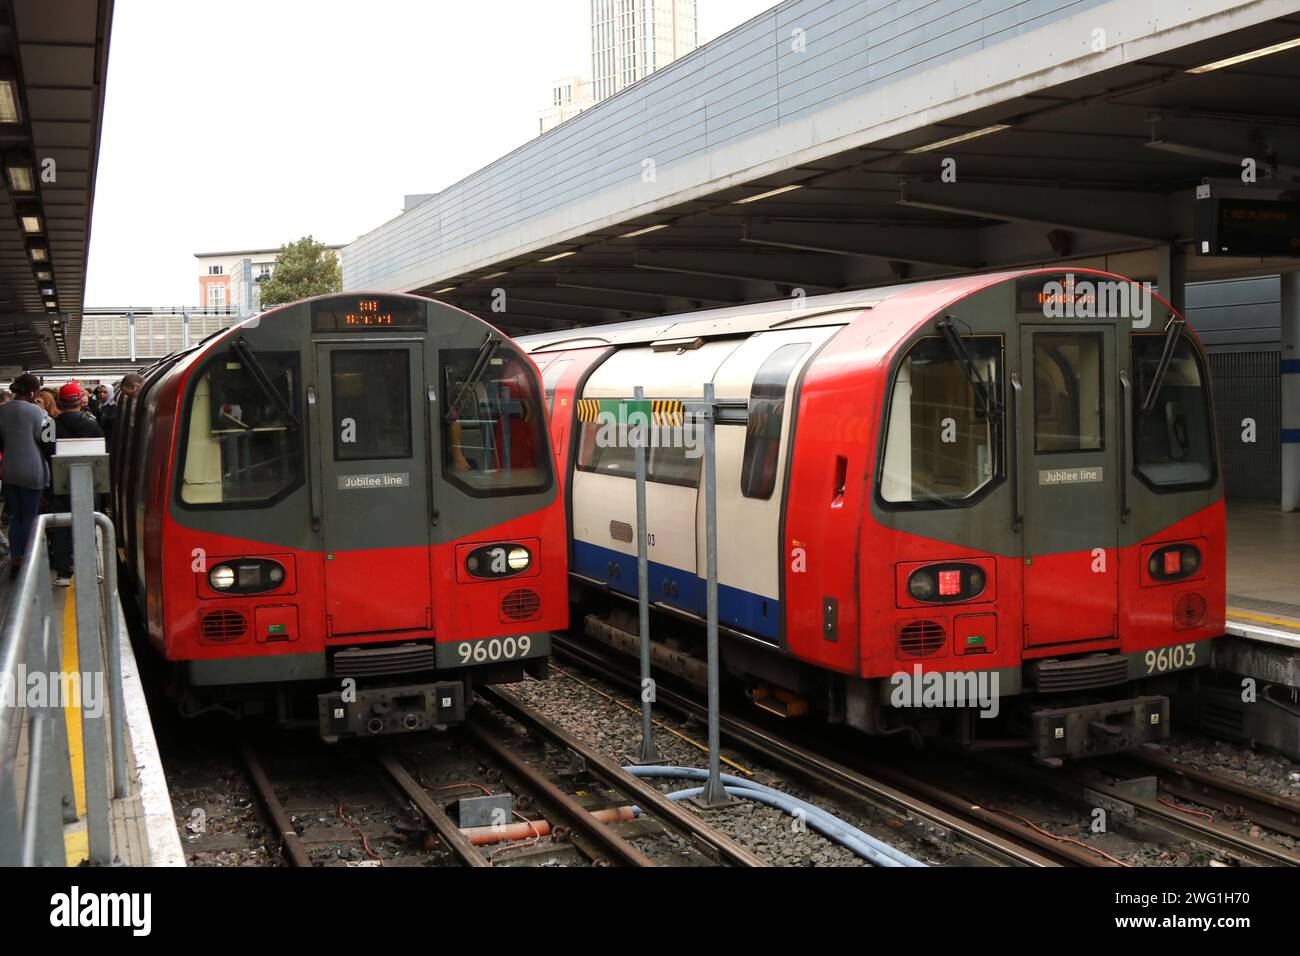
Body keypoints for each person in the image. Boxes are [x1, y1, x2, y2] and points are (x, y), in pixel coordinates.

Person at [46, 382, 103, 587]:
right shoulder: (91, 423)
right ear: (80, 401)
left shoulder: (50, 425)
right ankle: (89, 569)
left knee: (62, 525)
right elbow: (99, 449)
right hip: (88, 480)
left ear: (60, 402)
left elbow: (46, 450)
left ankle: (63, 572)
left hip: (60, 481)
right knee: (87, 522)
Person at [0, 373, 54, 580]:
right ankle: (28, 559)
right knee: (31, 517)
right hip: (33, 469)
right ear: (33, 391)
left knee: (16, 517)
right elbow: (49, 443)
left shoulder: (2, 410)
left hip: (9, 470)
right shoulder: (39, 413)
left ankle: (15, 558)